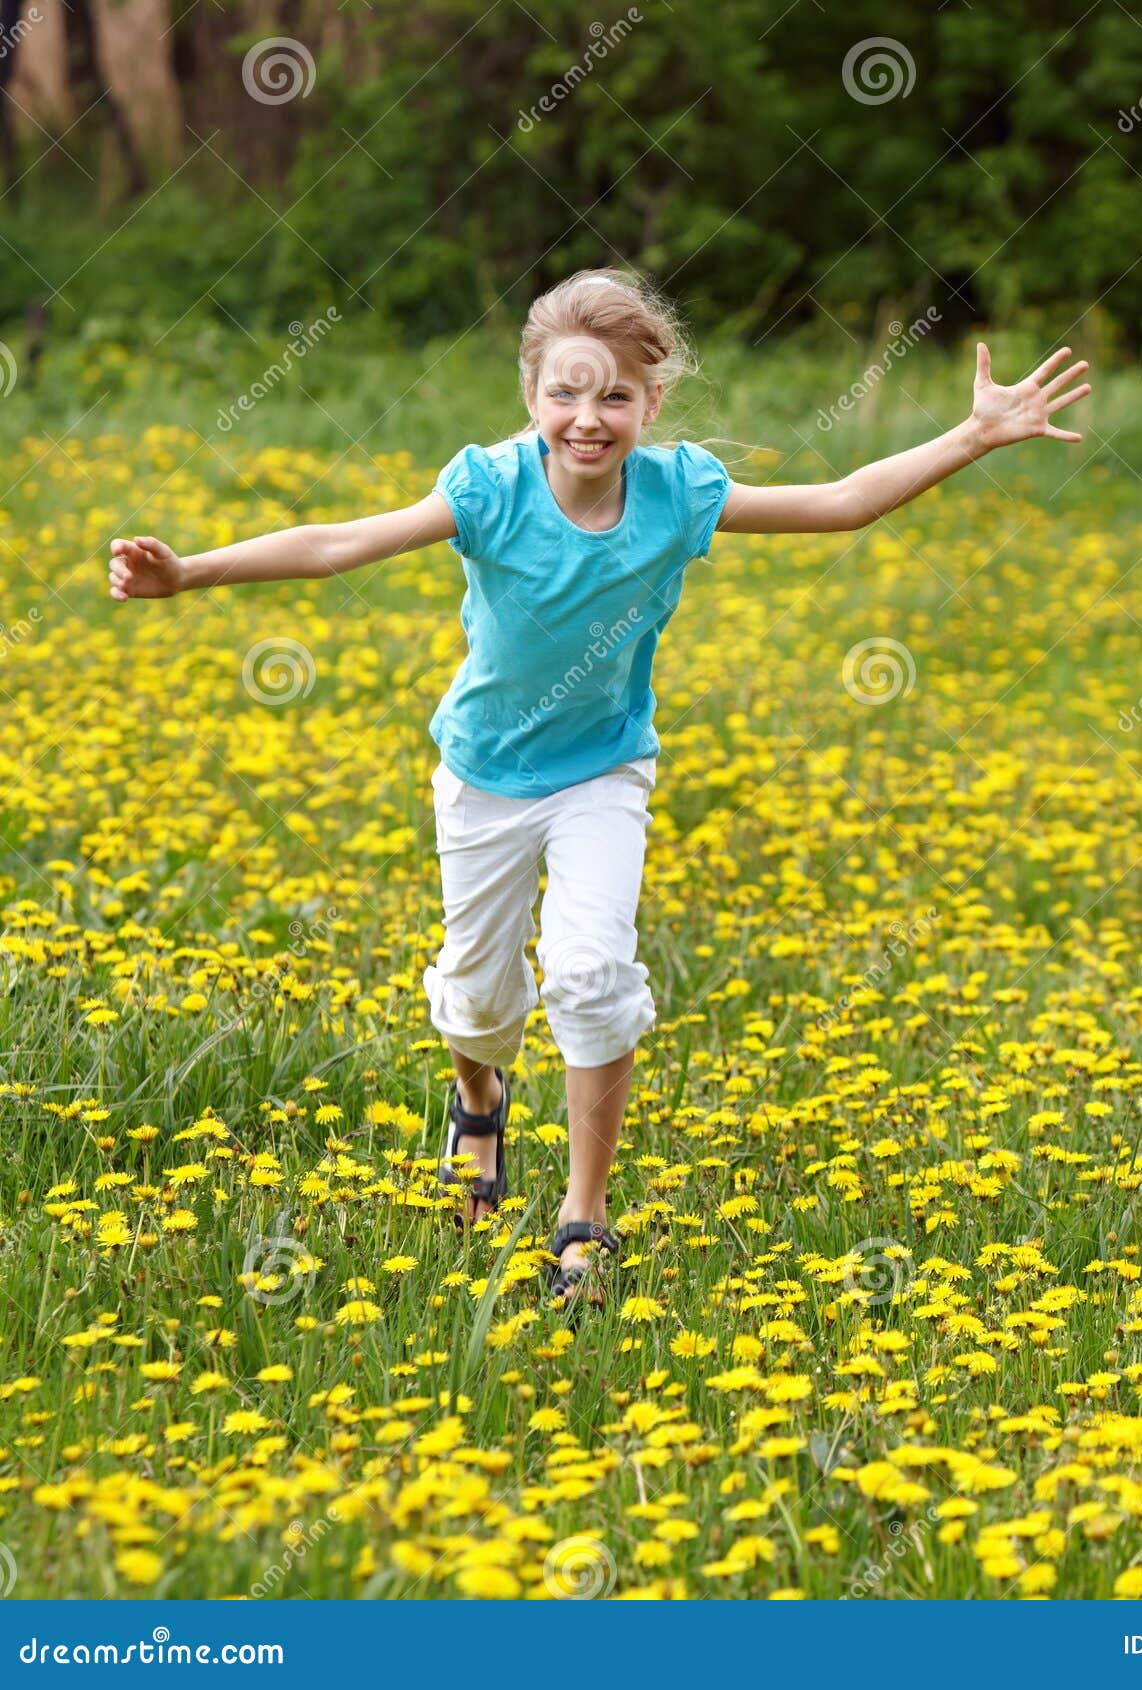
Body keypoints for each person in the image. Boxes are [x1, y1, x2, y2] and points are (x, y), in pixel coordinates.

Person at [106, 266, 1090, 1308]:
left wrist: (972, 436)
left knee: (588, 976)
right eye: (566, 393)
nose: (589, 417)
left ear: (651, 405)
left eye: (615, 396)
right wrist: (190, 573)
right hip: (484, 777)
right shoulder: (489, 488)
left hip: (603, 773)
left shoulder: (677, 493)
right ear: (531, 396)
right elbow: (340, 544)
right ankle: (478, 1098)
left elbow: (841, 505)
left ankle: (583, 1219)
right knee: (479, 1000)